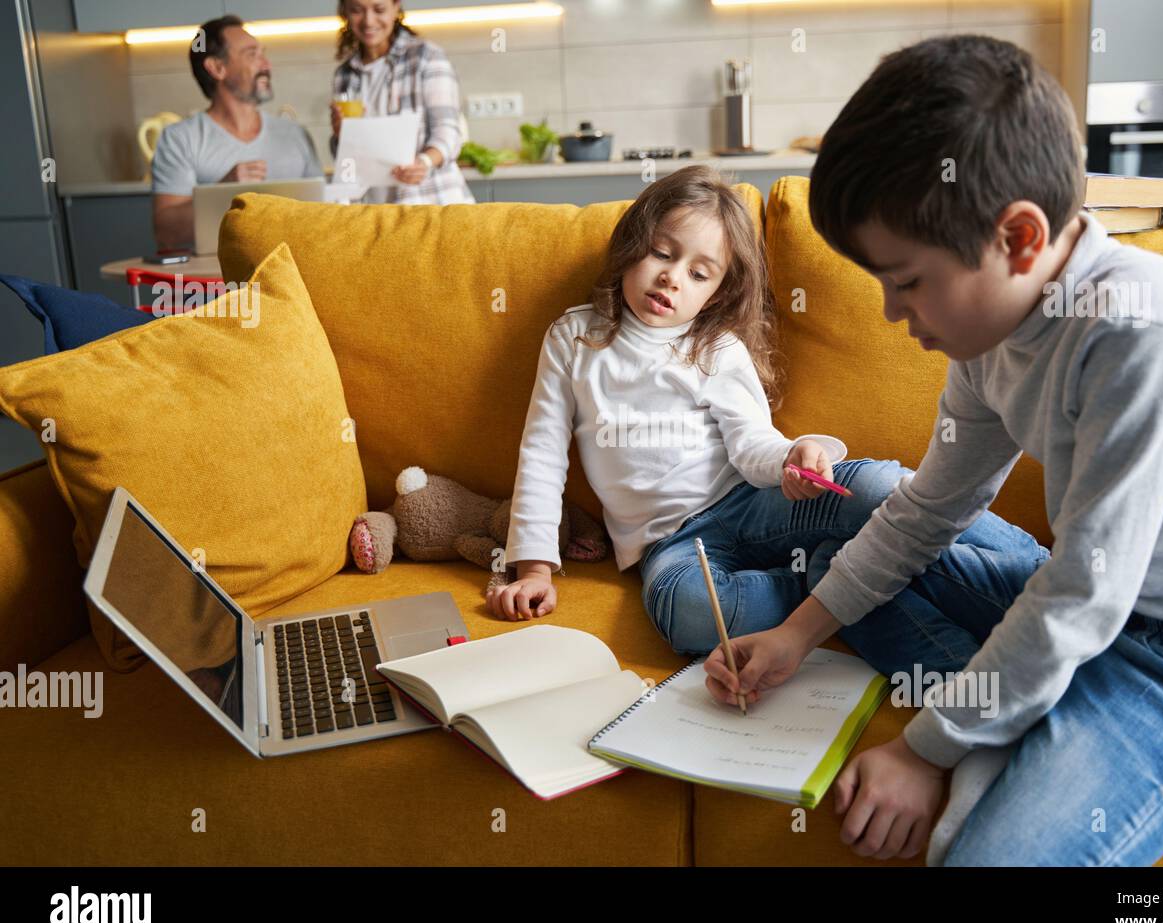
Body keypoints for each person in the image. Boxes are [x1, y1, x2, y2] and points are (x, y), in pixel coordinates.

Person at [700, 34, 1163, 866]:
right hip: (1102, 603)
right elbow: (926, 514)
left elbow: (1084, 592)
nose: (890, 313)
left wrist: (924, 750)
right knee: (851, 529)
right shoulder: (991, 338)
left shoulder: (1139, 336)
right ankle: (1014, 710)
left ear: (1019, 239)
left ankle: (1005, 725)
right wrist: (796, 636)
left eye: (905, 280)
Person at [487, 164, 1021, 660]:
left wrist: (796, 454)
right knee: (690, 618)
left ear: (718, 294)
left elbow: (752, 444)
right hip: (669, 544)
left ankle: (1029, 568)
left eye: (700, 274)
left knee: (882, 488)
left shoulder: (715, 347)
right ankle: (829, 575)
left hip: (753, 501)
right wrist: (533, 568)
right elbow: (541, 453)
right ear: (630, 246)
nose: (673, 278)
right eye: (661, 253)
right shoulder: (574, 337)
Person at [151, 15, 322, 250]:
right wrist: (223, 193)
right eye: (252, 54)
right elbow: (166, 233)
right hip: (218, 283)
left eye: (263, 53)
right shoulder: (179, 139)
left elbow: (324, 215)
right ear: (217, 68)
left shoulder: (296, 135)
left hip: (297, 275)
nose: (266, 65)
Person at [330, 0, 474, 205]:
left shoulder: (426, 57)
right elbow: (346, 161)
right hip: (374, 210)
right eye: (356, 10)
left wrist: (424, 162)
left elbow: (449, 131)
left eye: (379, 9)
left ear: (396, 6)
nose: (368, 21)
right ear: (345, 11)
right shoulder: (344, 75)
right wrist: (340, 135)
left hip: (430, 204)